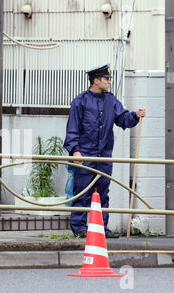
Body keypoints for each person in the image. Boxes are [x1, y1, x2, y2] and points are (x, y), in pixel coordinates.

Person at [63, 64, 145, 238]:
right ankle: (79, 228)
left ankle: (102, 228)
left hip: (104, 156)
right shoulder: (80, 101)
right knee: (82, 192)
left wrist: (135, 115)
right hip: (85, 156)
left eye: (109, 79)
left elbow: (123, 119)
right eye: (106, 79)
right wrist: (75, 151)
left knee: (102, 194)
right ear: (96, 80)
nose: (109, 82)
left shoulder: (111, 101)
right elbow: (72, 129)